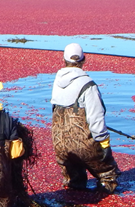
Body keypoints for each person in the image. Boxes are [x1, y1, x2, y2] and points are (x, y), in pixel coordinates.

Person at [50, 43, 120, 193]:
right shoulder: (89, 86)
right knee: (108, 176)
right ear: (84, 60)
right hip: (83, 145)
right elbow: (96, 119)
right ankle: (105, 192)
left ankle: (72, 200)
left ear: (64, 60)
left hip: (61, 146)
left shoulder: (57, 82)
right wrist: (104, 145)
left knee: (74, 183)